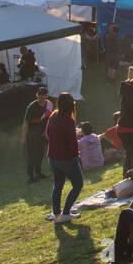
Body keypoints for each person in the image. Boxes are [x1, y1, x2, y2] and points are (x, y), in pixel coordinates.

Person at [46, 92, 83, 224]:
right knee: (78, 184)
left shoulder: (53, 116)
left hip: (53, 157)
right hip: (66, 158)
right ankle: (66, 212)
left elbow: (47, 134)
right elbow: (72, 143)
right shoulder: (68, 120)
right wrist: (77, 157)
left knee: (58, 186)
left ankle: (57, 214)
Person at [21, 85, 52, 182]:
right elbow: (26, 123)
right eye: (40, 95)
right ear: (36, 95)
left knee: (40, 154)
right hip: (32, 134)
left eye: (43, 95)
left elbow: (49, 120)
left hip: (42, 134)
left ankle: (38, 173)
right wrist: (24, 138)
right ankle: (30, 177)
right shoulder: (31, 107)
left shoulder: (49, 105)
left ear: (47, 95)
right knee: (32, 156)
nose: (41, 97)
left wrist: (46, 132)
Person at [117, 79, 133, 173]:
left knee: (129, 153)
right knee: (130, 153)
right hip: (128, 128)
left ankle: (128, 173)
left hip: (123, 126)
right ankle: (129, 173)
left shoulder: (127, 91)